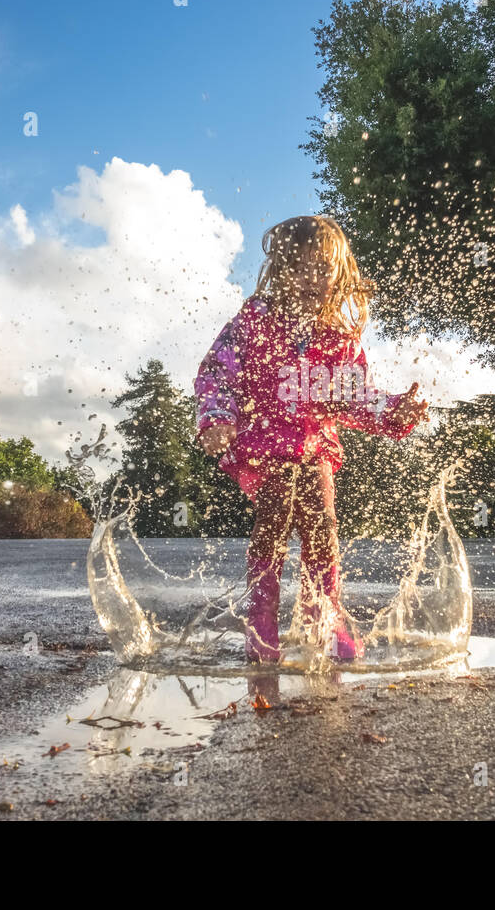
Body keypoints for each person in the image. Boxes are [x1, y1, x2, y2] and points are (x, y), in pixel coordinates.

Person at [195, 215, 427, 663]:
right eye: (297, 267)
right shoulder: (254, 322)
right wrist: (217, 418)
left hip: (316, 446)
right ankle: (262, 617)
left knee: (323, 528)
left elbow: (353, 399)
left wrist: (393, 410)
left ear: (339, 275)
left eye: (322, 269)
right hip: (266, 444)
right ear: (279, 271)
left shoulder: (340, 338)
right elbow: (215, 371)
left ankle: (326, 613)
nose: (310, 279)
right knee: (274, 524)